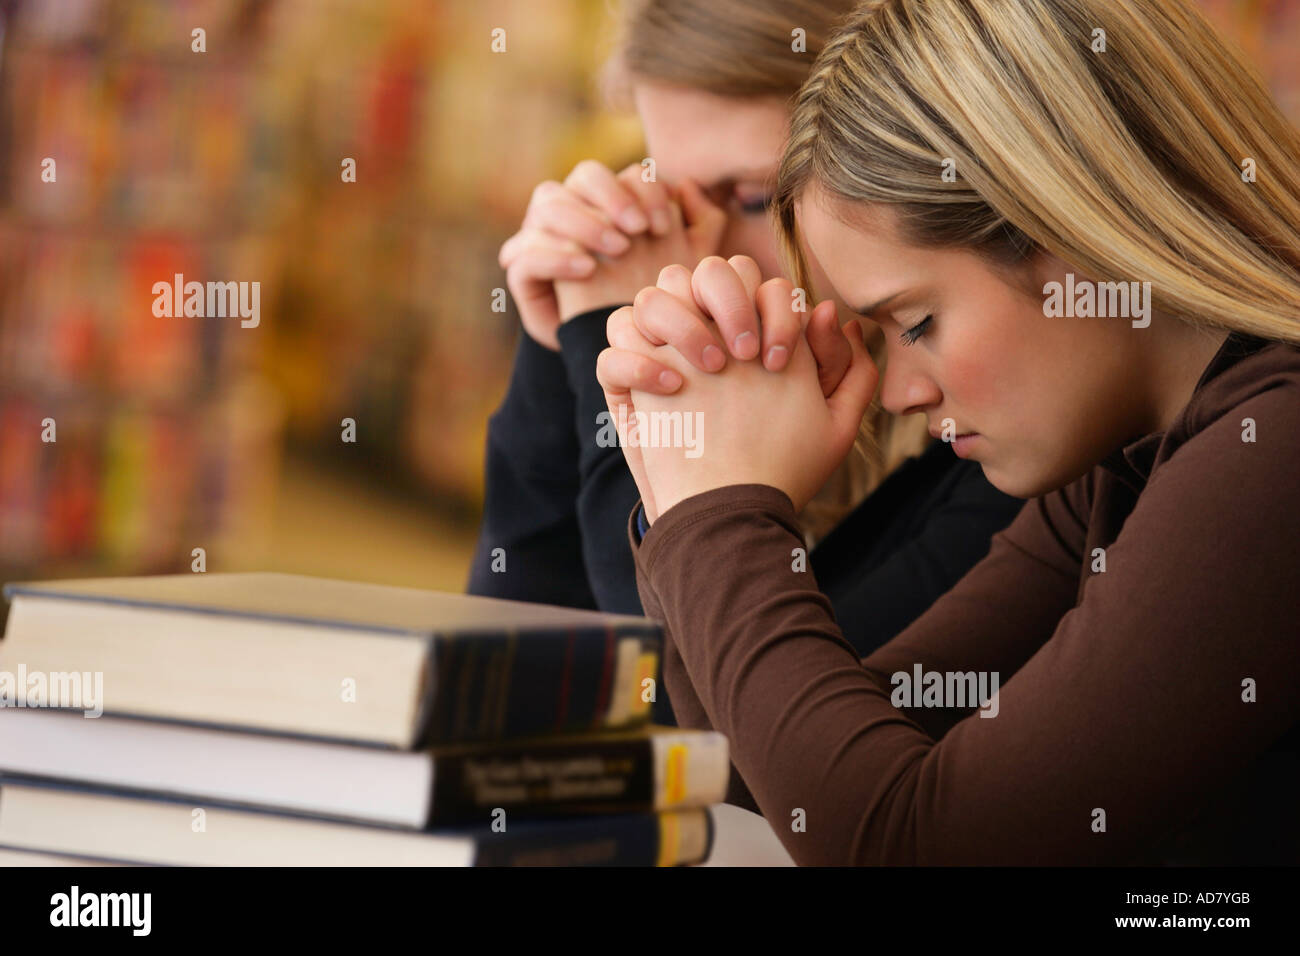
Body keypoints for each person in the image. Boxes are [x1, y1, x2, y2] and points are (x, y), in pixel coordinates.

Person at [597, 0, 1300, 863]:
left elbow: (909, 847)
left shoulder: (1275, 455)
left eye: (917, 322)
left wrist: (728, 517)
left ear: (1072, 230)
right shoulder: (1125, 465)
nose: (897, 391)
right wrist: (683, 490)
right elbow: (761, 787)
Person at [467, 0, 1024, 732]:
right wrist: (569, 349)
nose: (702, 258)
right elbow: (505, 682)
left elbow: (688, 718)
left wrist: (610, 338)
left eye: (756, 199)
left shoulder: (1012, 438)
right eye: (672, 198)